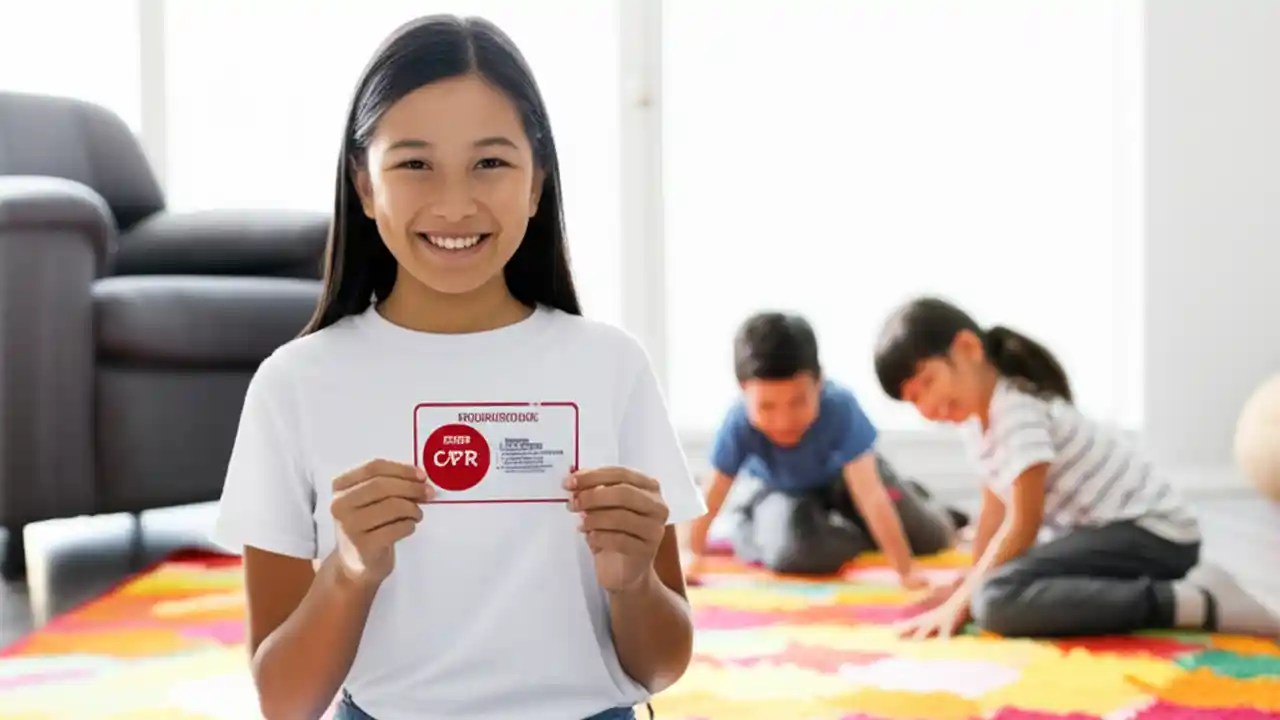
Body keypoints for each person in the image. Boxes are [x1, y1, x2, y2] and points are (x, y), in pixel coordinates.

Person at [211, 15, 706, 720]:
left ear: (537, 184)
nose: (453, 203)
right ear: (363, 184)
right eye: (414, 163)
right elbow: (286, 702)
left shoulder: (610, 367)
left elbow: (660, 665)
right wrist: (349, 573)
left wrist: (632, 586)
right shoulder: (294, 385)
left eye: (491, 163)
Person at [875, 296, 1280, 639]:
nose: (926, 409)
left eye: (926, 383)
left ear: (967, 348)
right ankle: (1172, 590)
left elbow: (1021, 525)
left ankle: (1193, 602)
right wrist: (965, 583)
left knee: (997, 599)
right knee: (994, 586)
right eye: (913, 401)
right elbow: (993, 513)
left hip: (1153, 532)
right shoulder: (977, 425)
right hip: (1114, 535)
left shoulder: (1015, 410)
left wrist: (967, 600)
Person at [685, 311, 962, 588]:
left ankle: (918, 502)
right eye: (767, 407)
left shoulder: (840, 407)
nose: (784, 421)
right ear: (743, 390)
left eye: (797, 402)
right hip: (783, 493)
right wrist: (690, 554)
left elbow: (870, 495)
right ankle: (760, 527)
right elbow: (712, 494)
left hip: (848, 484)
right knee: (791, 552)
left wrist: (905, 571)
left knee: (932, 539)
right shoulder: (738, 421)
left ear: (819, 382)